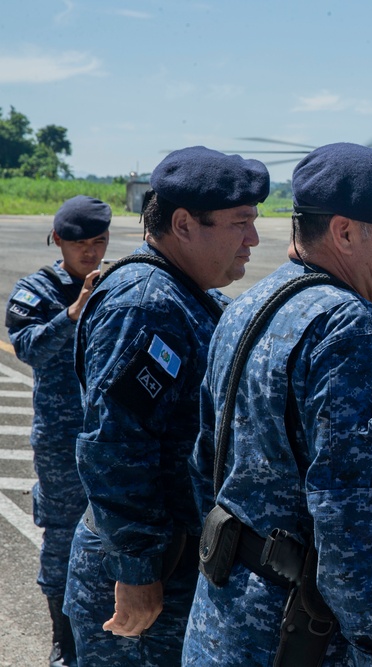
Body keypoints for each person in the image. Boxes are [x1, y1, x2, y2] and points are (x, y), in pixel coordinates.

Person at [183, 143, 372, 666]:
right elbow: (354, 523)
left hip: (222, 616)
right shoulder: (350, 328)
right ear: (345, 233)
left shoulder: (248, 305)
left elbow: (206, 463)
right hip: (299, 636)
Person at [66, 146, 268, 666]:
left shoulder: (190, 294)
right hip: (146, 577)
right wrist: (137, 572)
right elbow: (114, 446)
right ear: (183, 224)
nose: (253, 238)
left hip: (173, 562)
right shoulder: (146, 304)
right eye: (240, 223)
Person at [5, 195, 111, 667]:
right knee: (64, 535)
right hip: (61, 439)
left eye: (99, 241)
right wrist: (73, 313)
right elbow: (26, 347)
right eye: (79, 243)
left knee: (117, 531)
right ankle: (63, 639)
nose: (90, 251)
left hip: (110, 435)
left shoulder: (114, 285)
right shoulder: (37, 290)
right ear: (57, 240)